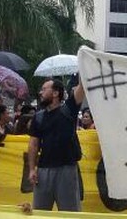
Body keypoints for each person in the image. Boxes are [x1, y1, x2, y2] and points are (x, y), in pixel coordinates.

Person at [27, 78, 85, 212]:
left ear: (55, 93)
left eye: (44, 89)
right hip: (43, 171)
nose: (40, 93)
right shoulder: (38, 117)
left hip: (67, 170)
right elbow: (33, 145)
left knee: (70, 214)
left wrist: (84, 62)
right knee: (40, 214)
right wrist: (31, 169)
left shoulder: (69, 109)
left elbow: (82, 88)